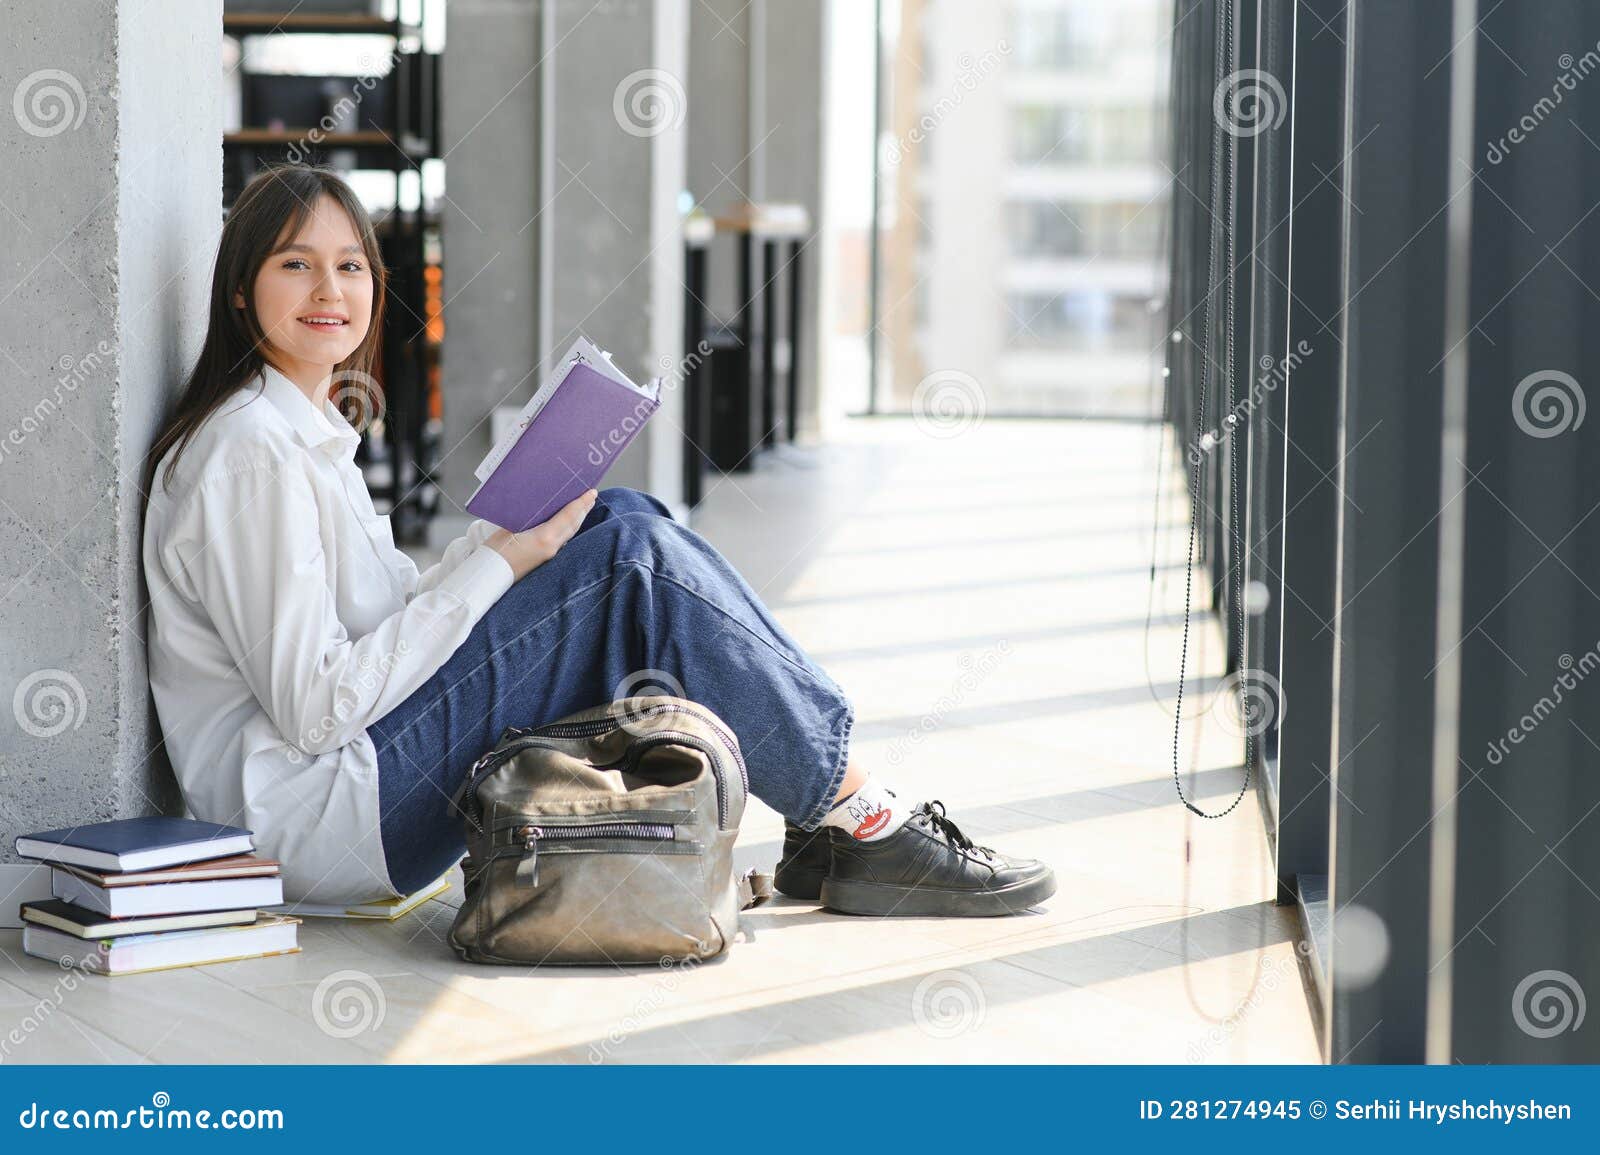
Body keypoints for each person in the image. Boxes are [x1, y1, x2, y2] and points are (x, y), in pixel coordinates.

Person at [140, 164, 1055, 920]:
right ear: (240, 292)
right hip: (322, 819)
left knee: (619, 517)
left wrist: (501, 541)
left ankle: (828, 815)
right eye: (295, 265)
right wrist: (501, 563)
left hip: (360, 776)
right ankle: (863, 819)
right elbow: (316, 708)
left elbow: (382, 617)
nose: (330, 291)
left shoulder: (304, 431)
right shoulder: (247, 454)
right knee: (635, 565)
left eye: (351, 265)